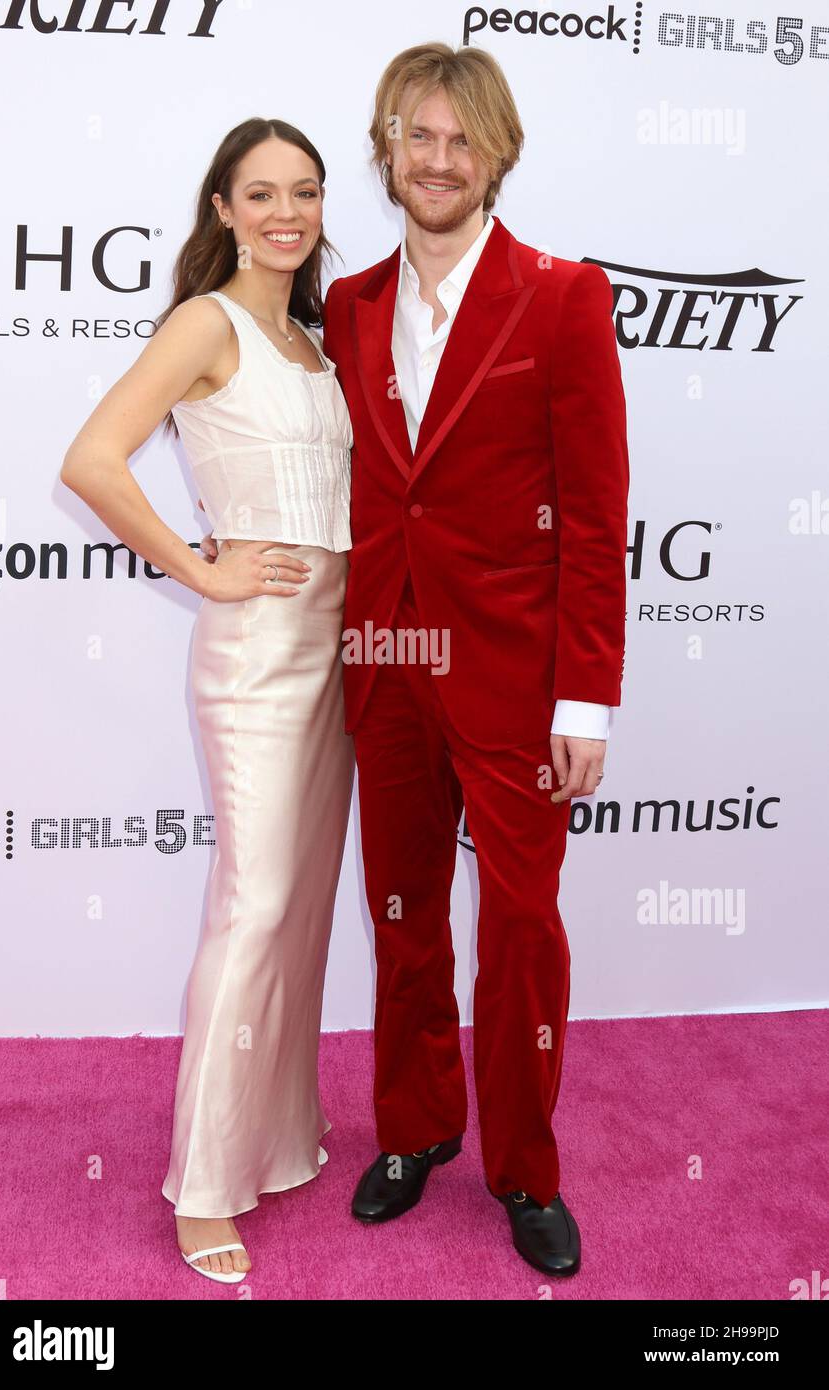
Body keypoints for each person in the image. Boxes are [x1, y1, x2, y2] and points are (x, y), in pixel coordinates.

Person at [321, 43, 630, 1276]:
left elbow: (596, 516)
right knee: (402, 916)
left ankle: (523, 1166)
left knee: (518, 927)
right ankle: (412, 1132)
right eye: (416, 136)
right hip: (385, 656)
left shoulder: (560, 296)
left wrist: (583, 696)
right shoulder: (347, 308)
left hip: (514, 675)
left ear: (495, 154)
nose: (435, 161)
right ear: (387, 147)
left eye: (460, 140)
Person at [60, 119, 355, 1283]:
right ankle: (200, 1183)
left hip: (340, 647)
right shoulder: (208, 321)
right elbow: (92, 459)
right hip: (258, 648)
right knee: (256, 900)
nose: (287, 212)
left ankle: (273, 1139)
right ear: (222, 208)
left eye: (307, 192)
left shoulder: (312, 337)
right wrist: (202, 567)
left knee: (298, 908)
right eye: (262, 193)